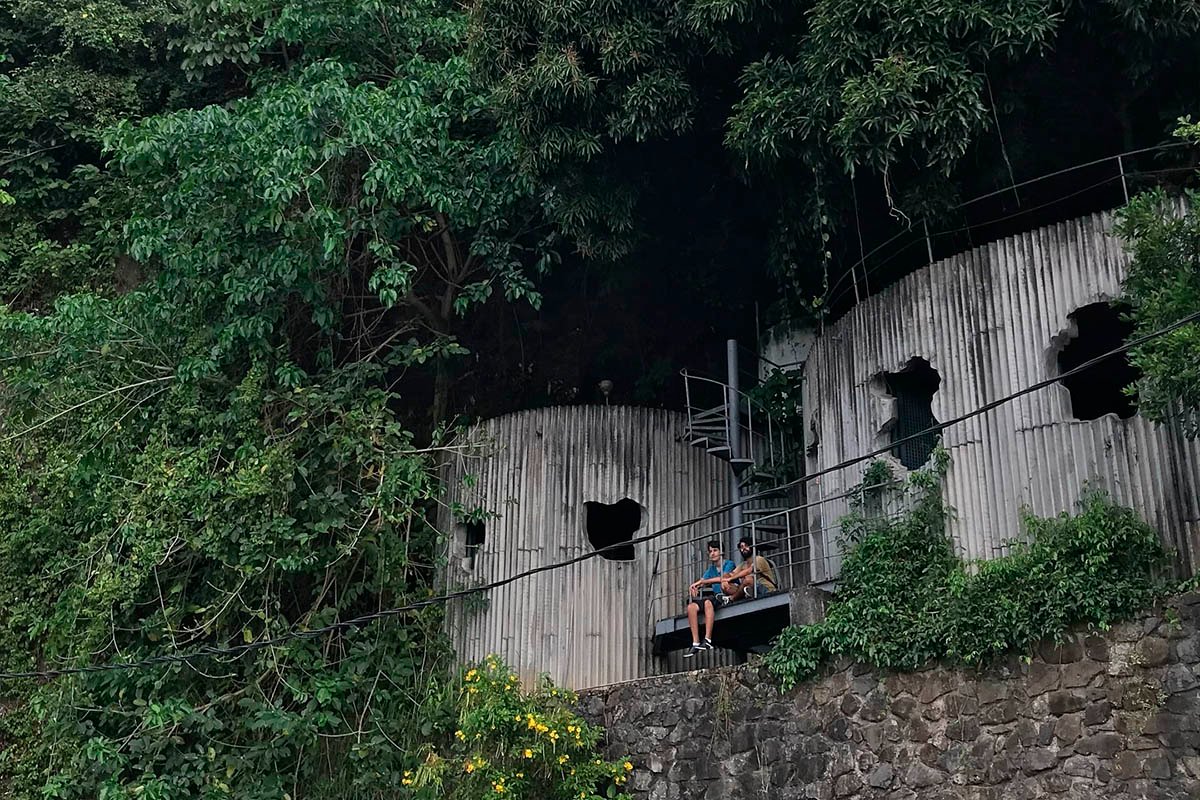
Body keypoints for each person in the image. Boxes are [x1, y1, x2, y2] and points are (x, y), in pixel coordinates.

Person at [683, 541, 736, 658]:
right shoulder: (711, 569)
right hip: (717, 597)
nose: (712, 554)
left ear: (721, 552)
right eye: (710, 551)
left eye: (715, 550)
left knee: (708, 602)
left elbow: (723, 578)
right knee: (691, 607)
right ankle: (696, 642)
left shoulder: (729, 564)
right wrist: (694, 586)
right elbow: (702, 581)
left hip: (727, 594)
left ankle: (707, 639)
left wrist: (702, 582)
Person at [720, 536, 778, 601]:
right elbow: (731, 574)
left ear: (752, 546)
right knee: (725, 586)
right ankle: (743, 595)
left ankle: (732, 598)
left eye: (746, 546)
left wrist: (730, 579)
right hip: (750, 588)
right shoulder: (742, 564)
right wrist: (724, 579)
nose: (744, 548)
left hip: (767, 589)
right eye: (741, 547)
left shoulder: (759, 559)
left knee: (748, 579)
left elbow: (749, 571)